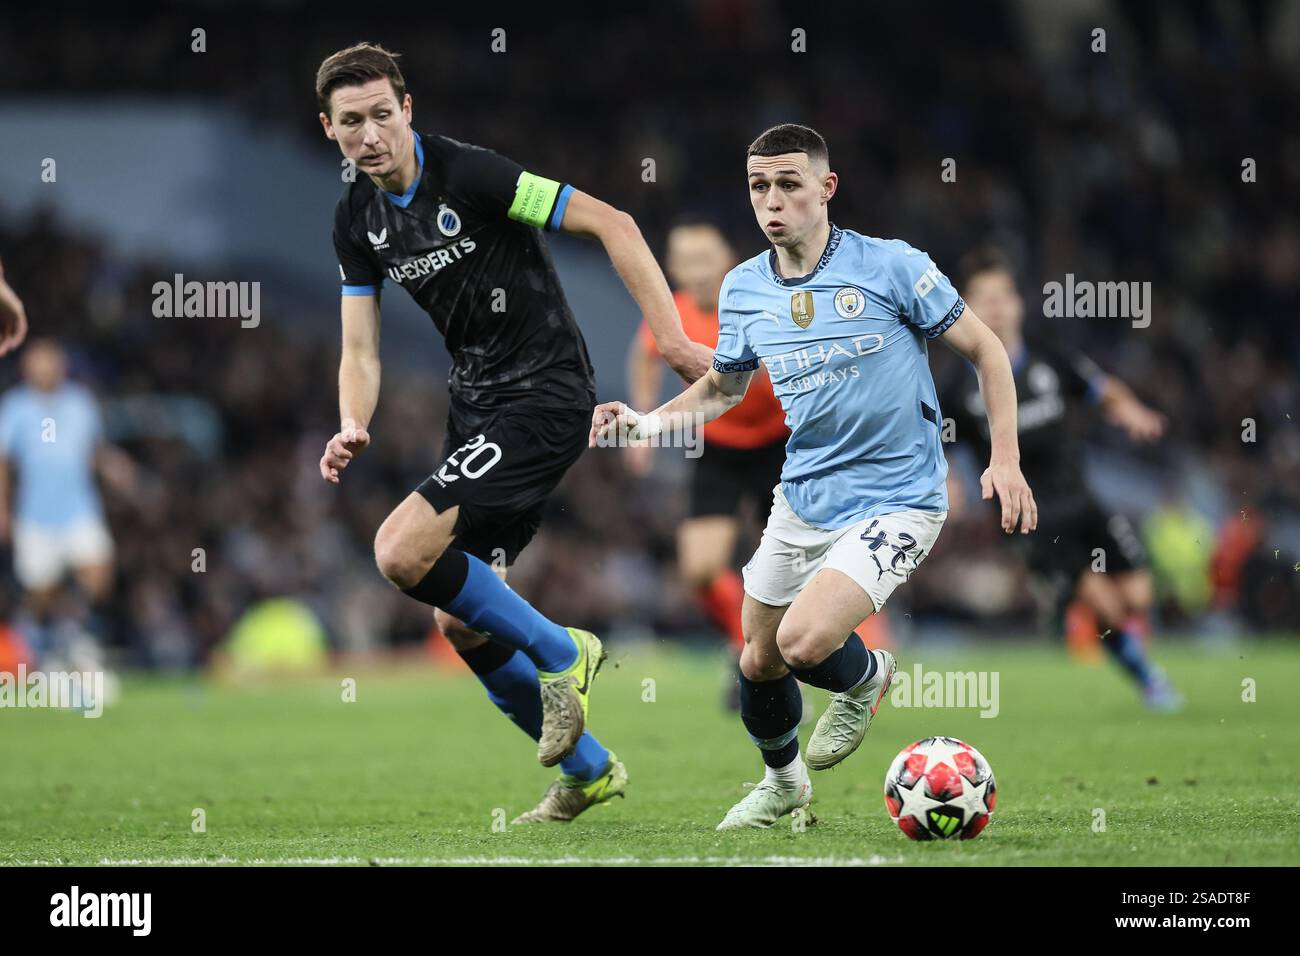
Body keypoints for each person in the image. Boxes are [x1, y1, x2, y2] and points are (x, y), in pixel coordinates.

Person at [592, 124, 1035, 828]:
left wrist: (1004, 459)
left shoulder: (891, 266)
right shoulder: (743, 289)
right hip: (803, 498)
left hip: (899, 498)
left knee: (802, 644)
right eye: (759, 186)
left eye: (789, 184)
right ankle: (783, 783)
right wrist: (643, 424)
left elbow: (986, 350)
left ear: (826, 188)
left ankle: (866, 678)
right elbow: (722, 391)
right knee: (758, 660)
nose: (772, 201)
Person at [313, 42, 710, 824]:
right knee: (459, 618)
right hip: (478, 406)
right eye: (351, 121)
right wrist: (352, 420)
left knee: (397, 550)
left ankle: (566, 651)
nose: (370, 135)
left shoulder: (472, 175)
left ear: (408, 111)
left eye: (382, 115)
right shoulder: (356, 219)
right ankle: (588, 771)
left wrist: (668, 340)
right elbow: (360, 347)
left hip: (546, 393)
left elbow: (614, 221)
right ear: (328, 129)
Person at [942, 247, 1182, 711]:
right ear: (966, 309)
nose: (995, 306)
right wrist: (950, 482)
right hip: (1029, 516)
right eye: (982, 298)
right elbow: (942, 444)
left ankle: (1065, 606)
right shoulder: (957, 383)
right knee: (1105, 607)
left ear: (1018, 304)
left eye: (1003, 296)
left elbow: (1098, 387)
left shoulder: (1050, 358)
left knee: (1136, 595)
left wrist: (1129, 409)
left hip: (1080, 496)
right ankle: (1148, 678)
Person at [0, 339, 132, 708]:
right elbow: (3, 463)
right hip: (36, 516)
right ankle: (48, 648)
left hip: (79, 509)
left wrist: (113, 467)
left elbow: (92, 451)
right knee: (40, 592)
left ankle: (77, 634)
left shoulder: (79, 403)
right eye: (38, 364)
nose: (45, 370)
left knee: (98, 571)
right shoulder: (15, 408)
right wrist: (2, 508)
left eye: (51, 363)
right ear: (27, 369)